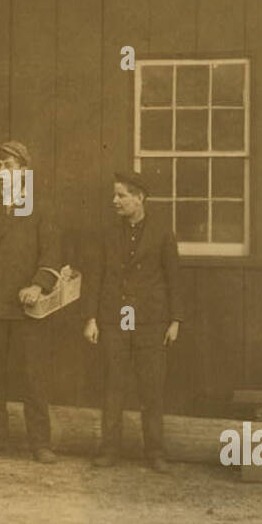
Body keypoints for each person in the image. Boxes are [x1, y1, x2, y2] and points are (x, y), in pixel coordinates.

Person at [0, 140, 61, 463]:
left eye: (8, 166)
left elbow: (52, 254)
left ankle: (40, 444)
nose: (0, 171)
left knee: (33, 376)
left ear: (24, 170)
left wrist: (37, 285)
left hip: (26, 307)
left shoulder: (41, 207)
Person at [83, 171, 183, 472]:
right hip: (115, 319)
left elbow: (173, 278)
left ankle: (155, 452)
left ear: (139, 198)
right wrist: (91, 318)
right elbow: (95, 276)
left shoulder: (162, 233)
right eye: (114, 195)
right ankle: (110, 450)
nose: (115, 201)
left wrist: (175, 319)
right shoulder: (107, 233)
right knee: (114, 385)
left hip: (150, 322)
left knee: (151, 388)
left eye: (121, 195)